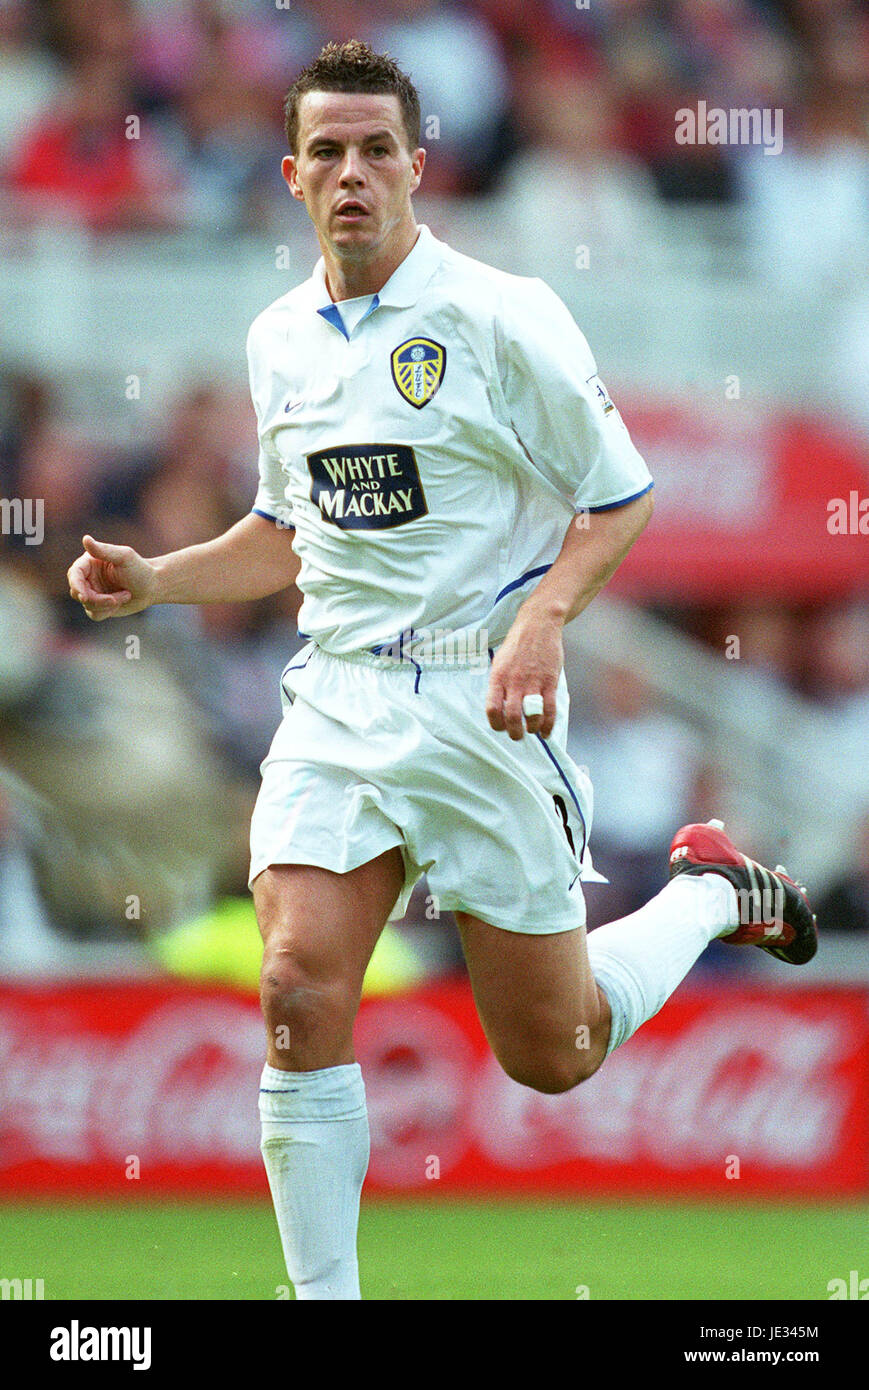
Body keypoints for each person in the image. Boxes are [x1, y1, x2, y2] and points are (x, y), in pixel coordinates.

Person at [67, 40, 817, 1301]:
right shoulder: (277, 341)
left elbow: (618, 497)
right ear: (292, 174)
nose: (352, 173)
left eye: (376, 150)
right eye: (327, 152)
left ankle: (702, 891)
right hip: (340, 693)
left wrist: (543, 625)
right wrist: (155, 577)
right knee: (298, 986)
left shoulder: (500, 313)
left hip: (484, 698)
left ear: (417, 166)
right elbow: (284, 535)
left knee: (554, 1051)